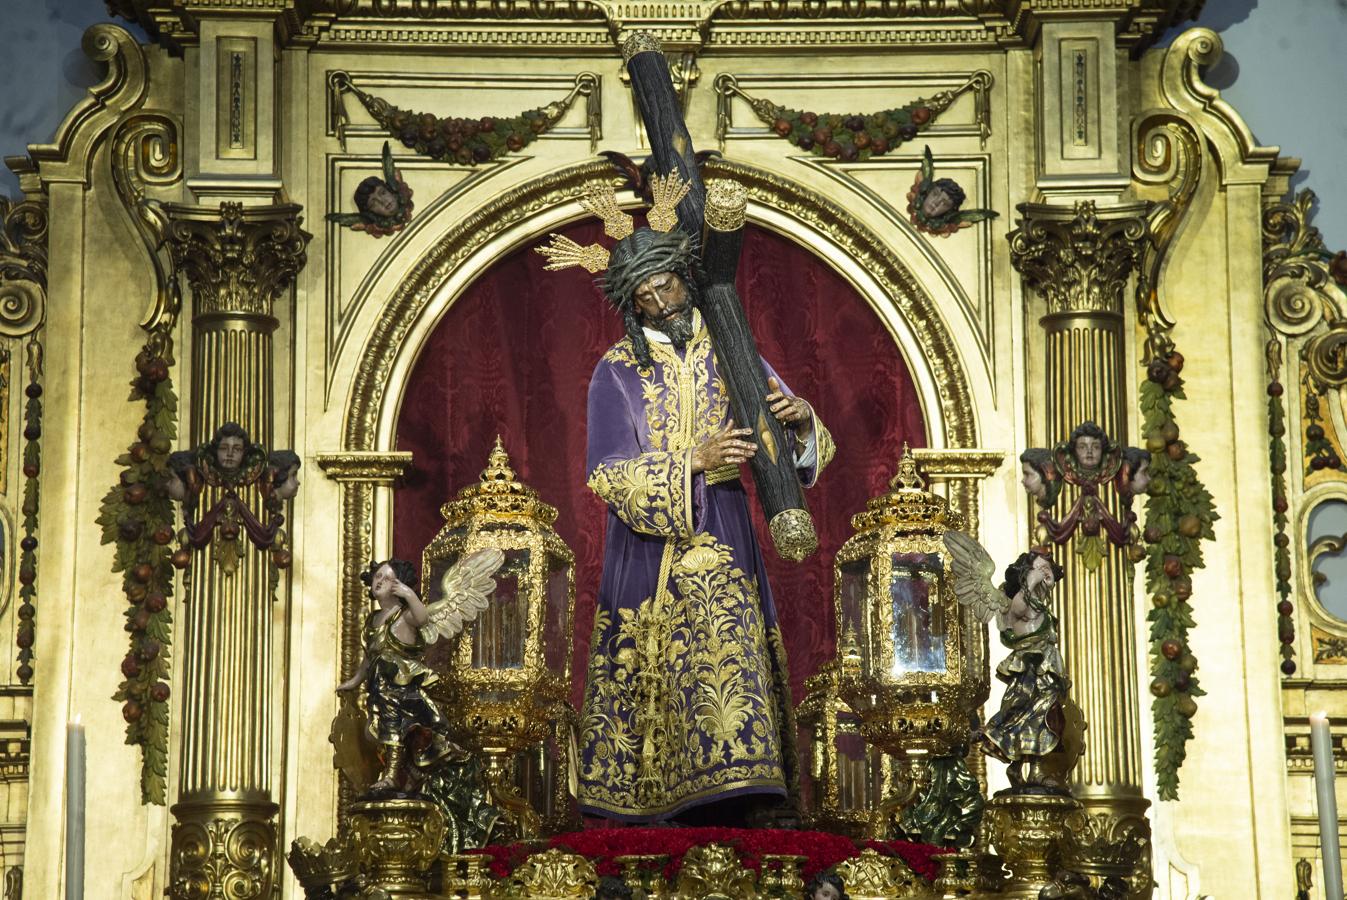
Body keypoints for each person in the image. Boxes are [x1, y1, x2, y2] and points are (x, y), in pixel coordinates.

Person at [578, 227, 834, 824]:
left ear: (683, 279)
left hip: (725, 524)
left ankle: (749, 793)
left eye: (666, 285)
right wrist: (693, 459)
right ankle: (656, 799)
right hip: (648, 547)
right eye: (645, 295)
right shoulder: (615, 371)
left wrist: (799, 421)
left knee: (736, 646)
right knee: (657, 661)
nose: (661, 302)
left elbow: (792, 432)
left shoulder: (732, 345)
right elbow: (606, 474)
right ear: (629, 303)